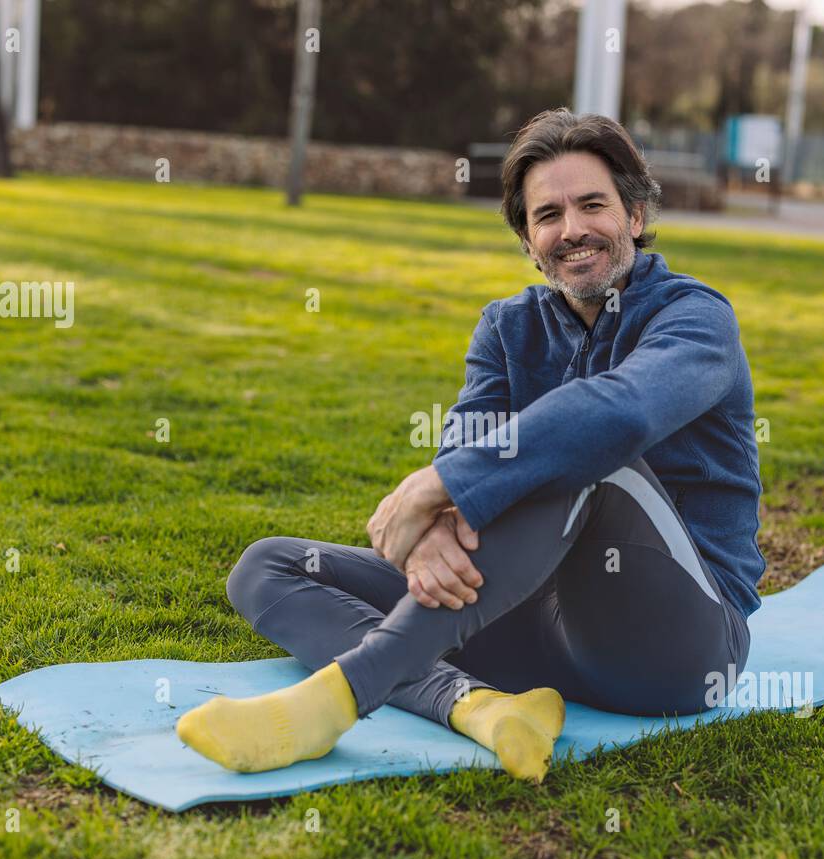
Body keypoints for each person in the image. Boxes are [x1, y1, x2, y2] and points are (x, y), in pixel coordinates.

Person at [177, 108, 766, 784]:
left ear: (634, 216)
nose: (571, 229)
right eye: (548, 215)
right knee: (272, 566)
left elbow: (620, 414)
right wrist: (435, 530)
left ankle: (337, 700)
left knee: (584, 455)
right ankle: (474, 706)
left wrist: (442, 487)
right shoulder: (507, 327)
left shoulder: (695, 318)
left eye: (592, 205)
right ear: (528, 239)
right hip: (527, 630)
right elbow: (469, 441)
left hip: (674, 649)